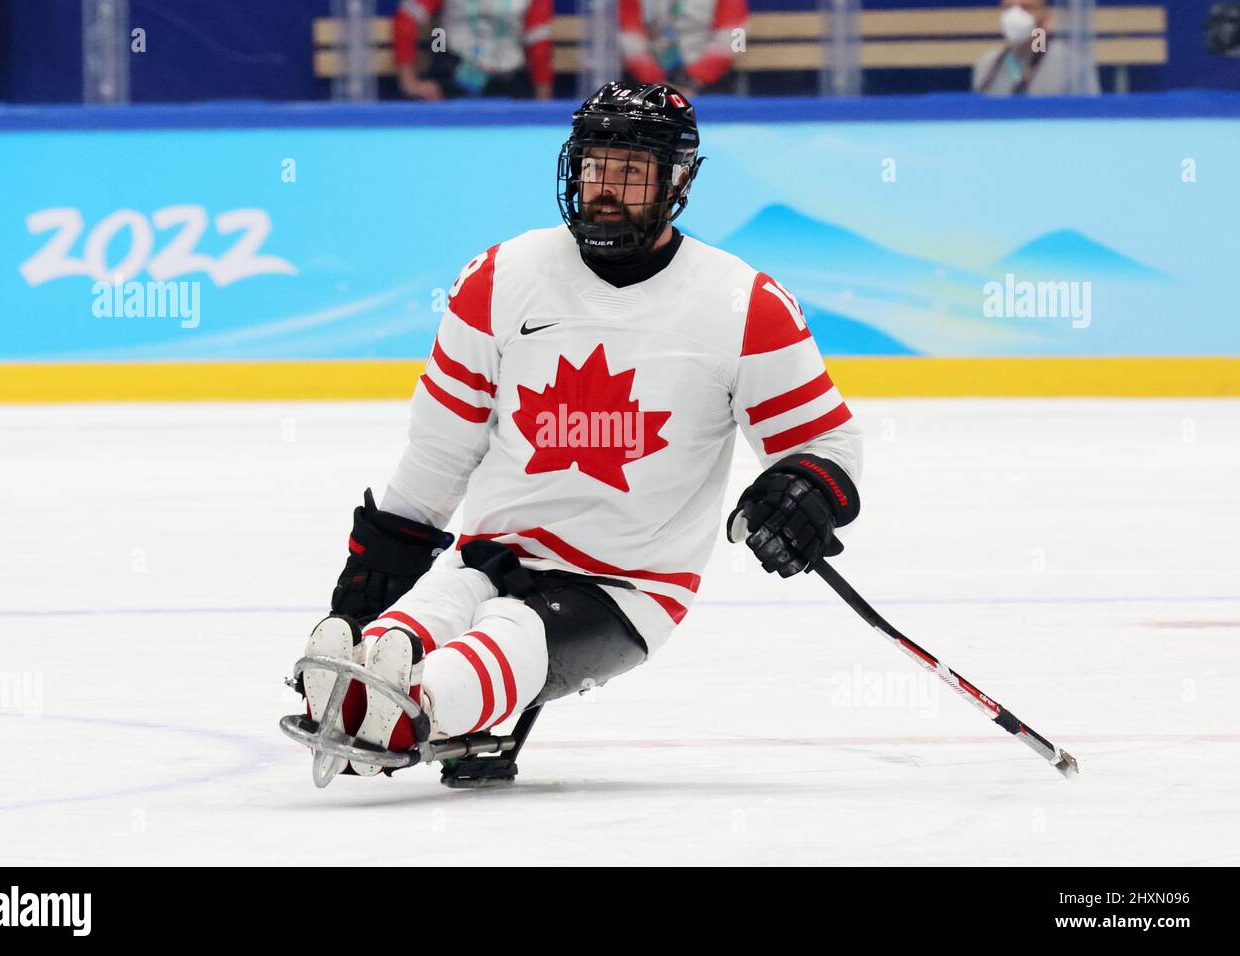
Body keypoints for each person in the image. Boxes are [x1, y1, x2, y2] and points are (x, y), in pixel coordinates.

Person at [297, 81, 862, 776]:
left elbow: (826, 443)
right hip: (490, 554)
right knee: (440, 604)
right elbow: (441, 450)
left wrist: (802, 491)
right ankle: (369, 678)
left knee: (511, 631)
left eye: (630, 171)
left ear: (677, 180)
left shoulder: (743, 304)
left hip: (628, 586)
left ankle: (413, 707)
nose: (605, 186)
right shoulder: (499, 278)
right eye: (596, 165)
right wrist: (373, 571)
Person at [393, 0, 553, 100]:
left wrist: (543, 102)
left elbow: (539, 45)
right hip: (454, 80)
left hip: (510, 84)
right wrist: (409, 82)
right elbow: (406, 20)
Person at [620, 0, 748, 97]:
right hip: (647, 83)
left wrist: (695, 78)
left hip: (708, 84)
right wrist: (655, 80)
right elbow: (627, 33)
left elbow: (737, 37)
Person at [973, 0, 1100, 96]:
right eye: (1008, 8)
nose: (1015, 15)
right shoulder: (987, 65)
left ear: (1045, 15)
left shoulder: (1072, 65)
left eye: (1027, 8)